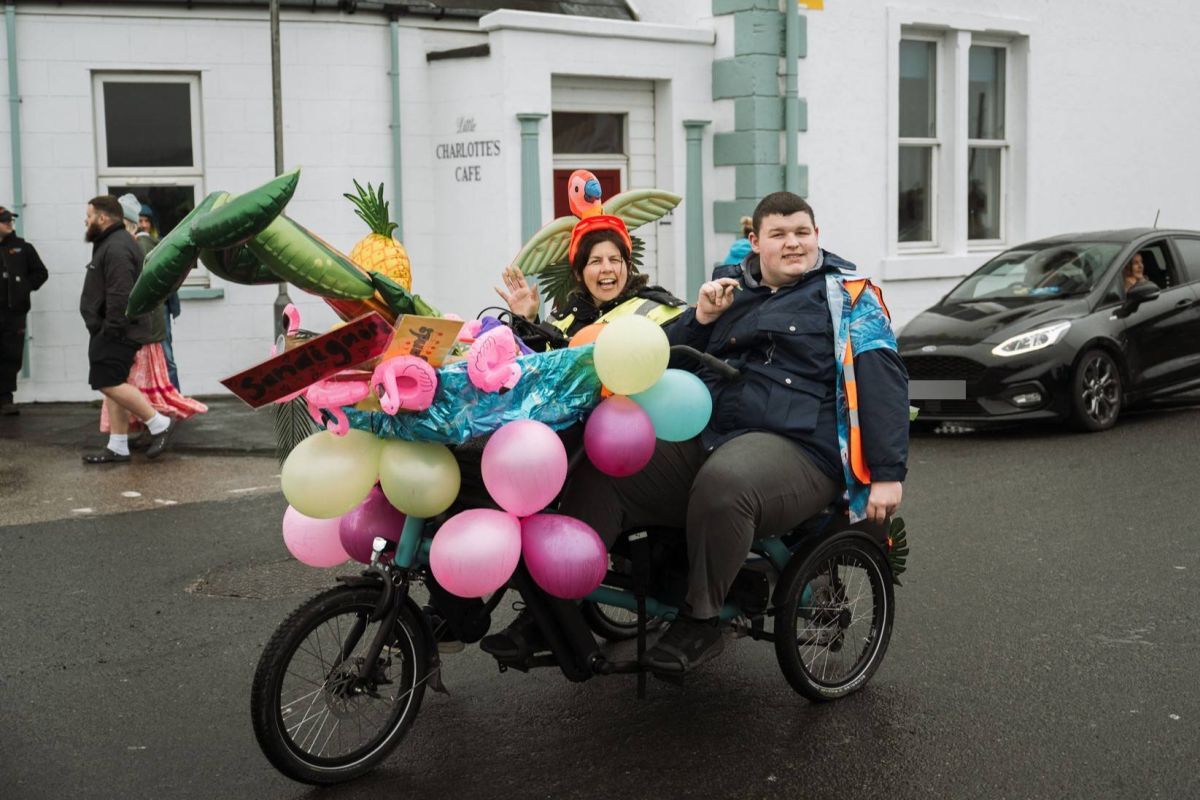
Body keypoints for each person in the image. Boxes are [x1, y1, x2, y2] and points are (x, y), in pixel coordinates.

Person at [491, 192, 911, 671]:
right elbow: (657, 358)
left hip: (801, 449)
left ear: (817, 236)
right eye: (779, 234)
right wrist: (702, 318)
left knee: (726, 482)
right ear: (755, 241)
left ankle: (701, 620)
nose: (793, 243)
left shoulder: (849, 298)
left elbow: (883, 381)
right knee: (607, 465)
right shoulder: (729, 291)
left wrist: (887, 472)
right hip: (714, 432)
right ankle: (557, 607)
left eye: (802, 232)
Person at [79, 195, 179, 463]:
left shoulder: (117, 246)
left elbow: (120, 293)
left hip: (118, 330)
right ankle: (118, 445)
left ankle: (159, 423)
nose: (85, 221)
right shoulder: (112, 243)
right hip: (115, 329)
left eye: (89, 216)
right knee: (115, 383)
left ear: (102, 218)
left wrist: (110, 329)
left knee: (107, 382)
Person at [99, 195, 206, 444]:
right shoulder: (137, 244)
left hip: (141, 329)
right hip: (143, 327)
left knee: (143, 381)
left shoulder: (139, 246)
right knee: (140, 382)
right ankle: (145, 430)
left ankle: (157, 425)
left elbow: (133, 288)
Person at [494, 214, 687, 349]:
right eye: (595, 261)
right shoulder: (561, 320)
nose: (606, 268)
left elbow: (686, 343)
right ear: (578, 273)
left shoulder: (657, 309)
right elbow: (539, 370)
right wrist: (526, 321)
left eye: (614, 260)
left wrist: (703, 315)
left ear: (628, 267)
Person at [0, 206, 48, 416]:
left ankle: (6, 399)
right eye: (5, 220)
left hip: (14, 313)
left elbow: (41, 272)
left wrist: (24, 287)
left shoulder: (22, 248)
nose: (10, 222)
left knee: (11, 355)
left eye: (10, 219)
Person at [137, 203, 182, 390]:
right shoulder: (136, 244)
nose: (143, 225)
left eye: (146, 221)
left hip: (161, 305)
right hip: (147, 306)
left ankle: (175, 394)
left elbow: (171, 275)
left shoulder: (162, 244)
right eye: (140, 221)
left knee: (167, 355)